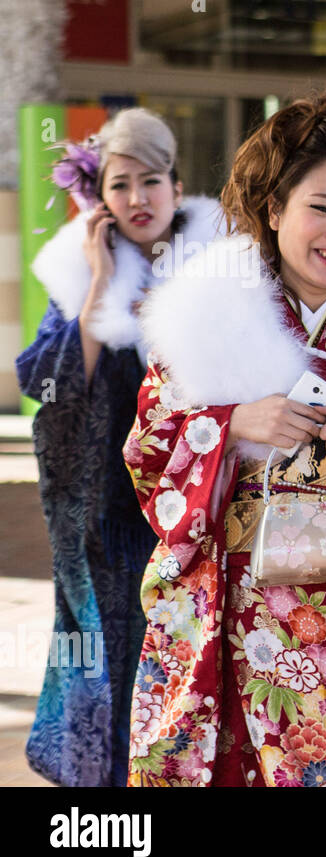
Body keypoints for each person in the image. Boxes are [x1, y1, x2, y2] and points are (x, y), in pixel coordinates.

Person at [122, 91, 326, 786]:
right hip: (244, 607)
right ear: (274, 212)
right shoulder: (207, 315)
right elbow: (148, 447)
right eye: (321, 208)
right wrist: (232, 421)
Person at [17, 108, 224, 786]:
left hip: (196, 505)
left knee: (190, 666)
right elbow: (45, 380)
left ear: (177, 183)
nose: (138, 199)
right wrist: (102, 291)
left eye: (152, 181)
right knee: (108, 655)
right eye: (120, 184)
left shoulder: (221, 267)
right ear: (99, 198)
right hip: (106, 510)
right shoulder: (77, 273)